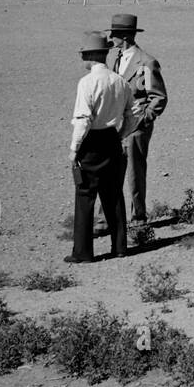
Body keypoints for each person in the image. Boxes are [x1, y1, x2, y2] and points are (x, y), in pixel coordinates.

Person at [68, 32, 137, 263]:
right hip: (111, 140)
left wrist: (74, 148)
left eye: (83, 55)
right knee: (113, 195)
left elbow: (83, 120)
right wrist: (121, 134)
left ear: (90, 55)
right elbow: (133, 114)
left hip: (91, 142)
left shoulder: (86, 83)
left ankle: (83, 252)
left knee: (85, 196)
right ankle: (120, 247)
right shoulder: (120, 81)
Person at [105, 13, 168, 225]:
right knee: (110, 171)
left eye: (114, 35)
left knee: (134, 173)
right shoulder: (113, 59)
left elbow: (159, 97)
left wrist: (144, 119)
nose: (111, 39)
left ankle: (138, 216)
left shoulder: (147, 62)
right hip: (114, 124)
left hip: (136, 126)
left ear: (125, 36)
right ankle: (105, 217)